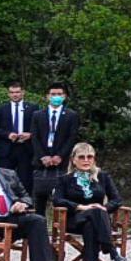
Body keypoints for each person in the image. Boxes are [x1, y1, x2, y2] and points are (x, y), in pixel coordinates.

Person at [52, 142, 129, 261]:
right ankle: (112, 252)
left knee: (91, 225)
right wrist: (80, 207)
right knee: (94, 214)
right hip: (74, 220)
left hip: (97, 221)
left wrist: (104, 208)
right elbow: (57, 200)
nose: (86, 160)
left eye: (90, 157)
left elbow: (117, 199)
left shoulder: (103, 176)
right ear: (73, 160)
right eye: (81, 157)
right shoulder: (64, 179)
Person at [32, 82, 81, 210]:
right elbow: (35, 137)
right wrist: (43, 156)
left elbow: (72, 137)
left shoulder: (72, 115)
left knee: (62, 198)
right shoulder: (37, 115)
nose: (56, 97)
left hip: (62, 162)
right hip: (42, 162)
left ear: (64, 96)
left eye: (59, 94)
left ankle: (62, 227)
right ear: (47, 96)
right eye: (53, 94)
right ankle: (41, 226)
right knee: (39, 199)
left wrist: (60, 155)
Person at [0, 83, 42, 191]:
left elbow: (41, 127)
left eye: (17, 92)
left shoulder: (33, 108)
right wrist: (8, 135)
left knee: (26, 178)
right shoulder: (2, 109)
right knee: (4, 178)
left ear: (23, 93)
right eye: (12, 92)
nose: (15, 95)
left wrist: (30, 134)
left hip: (26, 148)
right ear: (9, 94)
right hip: (6, 149)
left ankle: (26, 203)